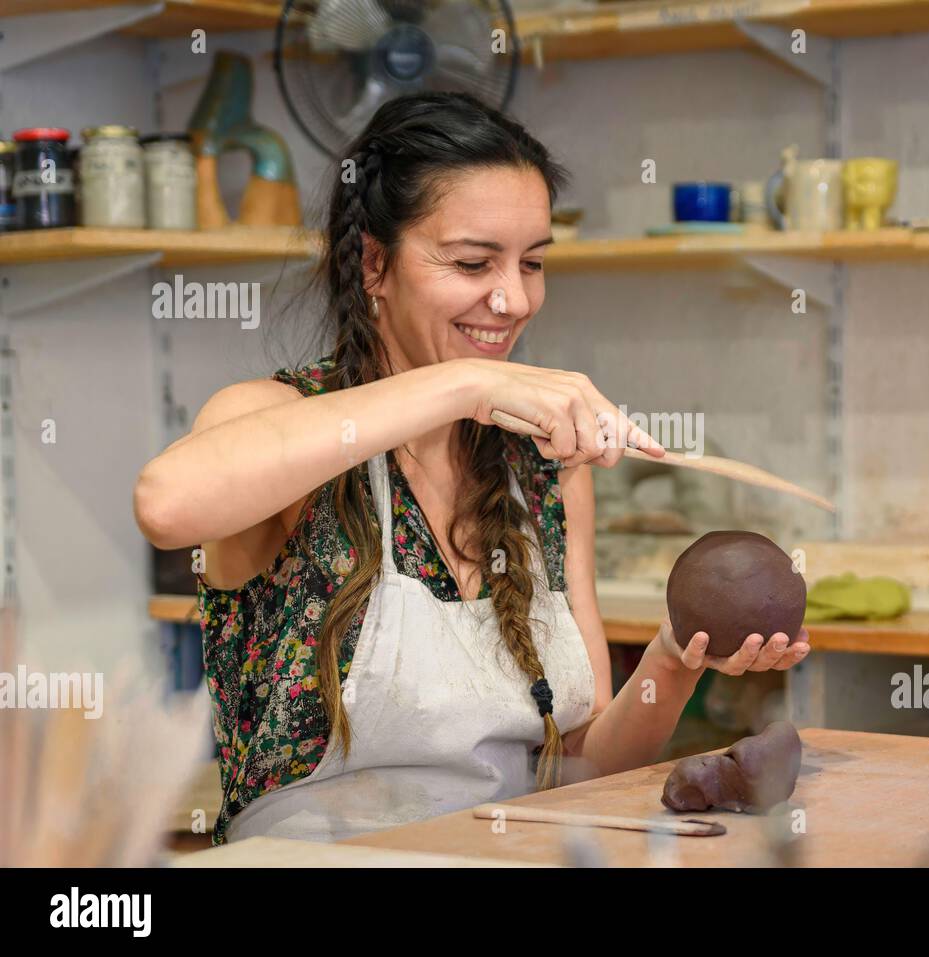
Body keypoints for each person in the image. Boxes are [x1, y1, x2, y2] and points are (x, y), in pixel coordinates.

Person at [134, 92, 810, 844]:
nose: (513, 298)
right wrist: (467, 384)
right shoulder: (275, 418)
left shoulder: (542, 468)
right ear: (374, 265)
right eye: (472, 262)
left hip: (504, 854)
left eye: (534, 262)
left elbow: (580, 767)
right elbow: (167, 504)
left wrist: (678, 658)